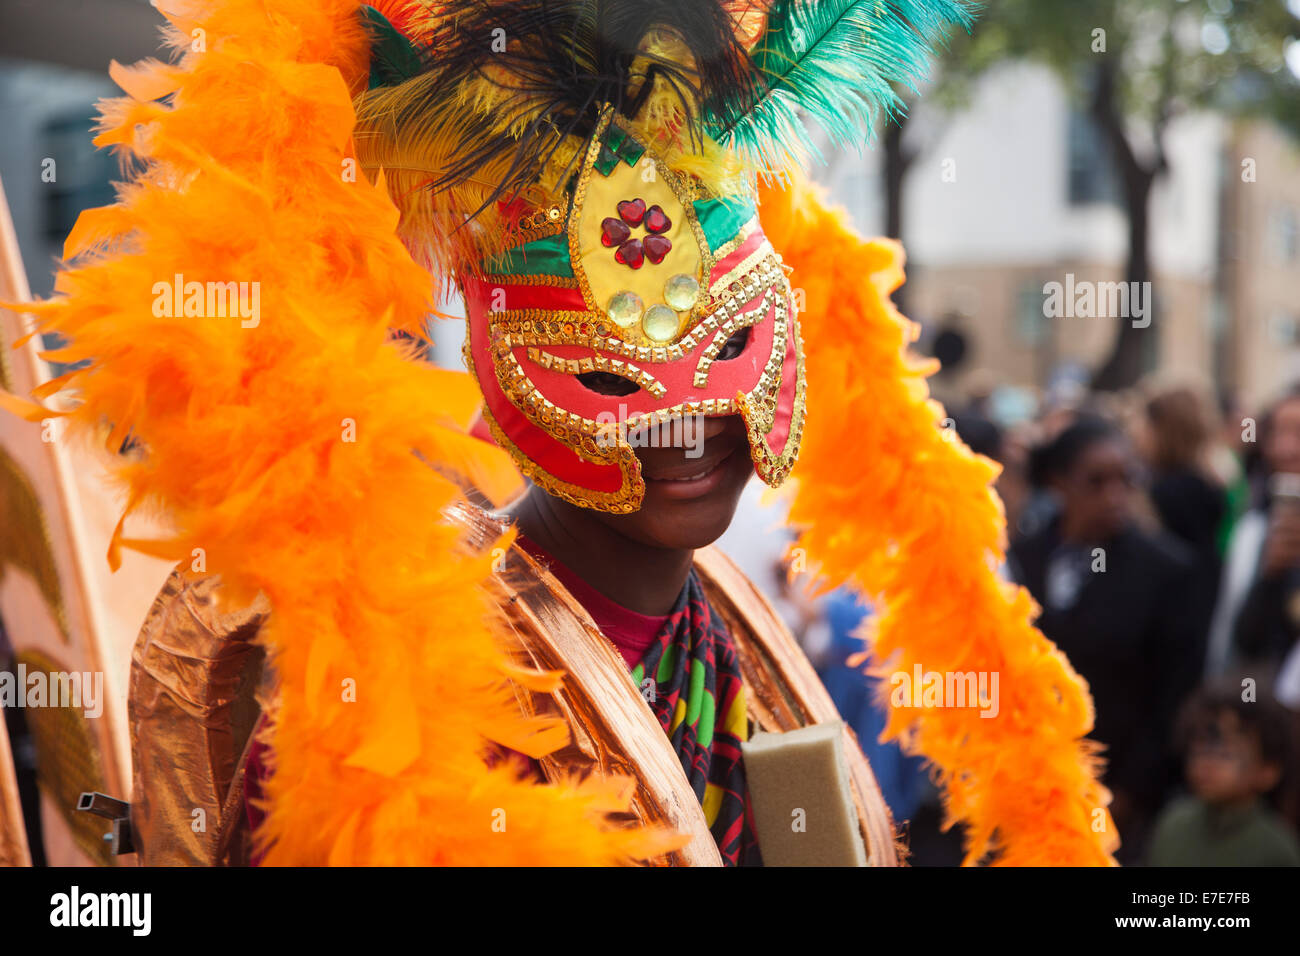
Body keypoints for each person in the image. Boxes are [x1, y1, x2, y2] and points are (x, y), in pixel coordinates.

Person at [14, 0, 1119, 866]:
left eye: (723, 347)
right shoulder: (393, 695)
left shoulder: (720, 628)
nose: (684, 418)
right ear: (496, 377)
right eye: (605, 371)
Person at [1009, 418, 1203, 863]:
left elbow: (1175, 693)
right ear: (1058, 482)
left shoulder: (1165, 569)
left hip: (1121, 792)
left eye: (1125, 479)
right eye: (1096, 482)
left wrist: (1130, 790)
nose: (1114, 496)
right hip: (1030, 781)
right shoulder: (1023, 557)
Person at [1147, 685, 1300, 866]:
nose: (1207, 763)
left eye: (1224, 754)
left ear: (1268, 771)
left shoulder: (1276, 849)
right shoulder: (1171, 825)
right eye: (1199, 751)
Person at [1207, 387, 1300, 683]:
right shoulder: (1254, 529)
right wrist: (1271, 574)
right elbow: (1242, 640)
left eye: (1298, 432)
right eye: (1278, 433)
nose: (1287, 449)